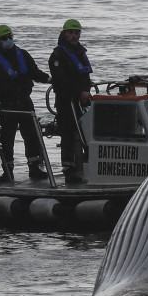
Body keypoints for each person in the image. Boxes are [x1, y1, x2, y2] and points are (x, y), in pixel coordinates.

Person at [0, 24, 50, 183]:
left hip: (25, 102)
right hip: (7, 105)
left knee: (32, 135)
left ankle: (34, 168)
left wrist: (49, 80)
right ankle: (8, 171)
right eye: (4, 38)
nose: (8, 40)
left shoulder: (23, 54)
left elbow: (34, 72)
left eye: (10, 37)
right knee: (7, 139)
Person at [48, 18, 93, 184]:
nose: (74, 36)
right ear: (64, 33)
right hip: (66, 101)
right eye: (70, 33)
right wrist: (78, 91)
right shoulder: (57, 55)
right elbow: (60, 80)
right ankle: (69, 170)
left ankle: (84, 165)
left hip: (82, 100)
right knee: (67, 134)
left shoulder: (80, 53)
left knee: (84, 132)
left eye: (76, 33)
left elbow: (86, 75)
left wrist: (86, 91)